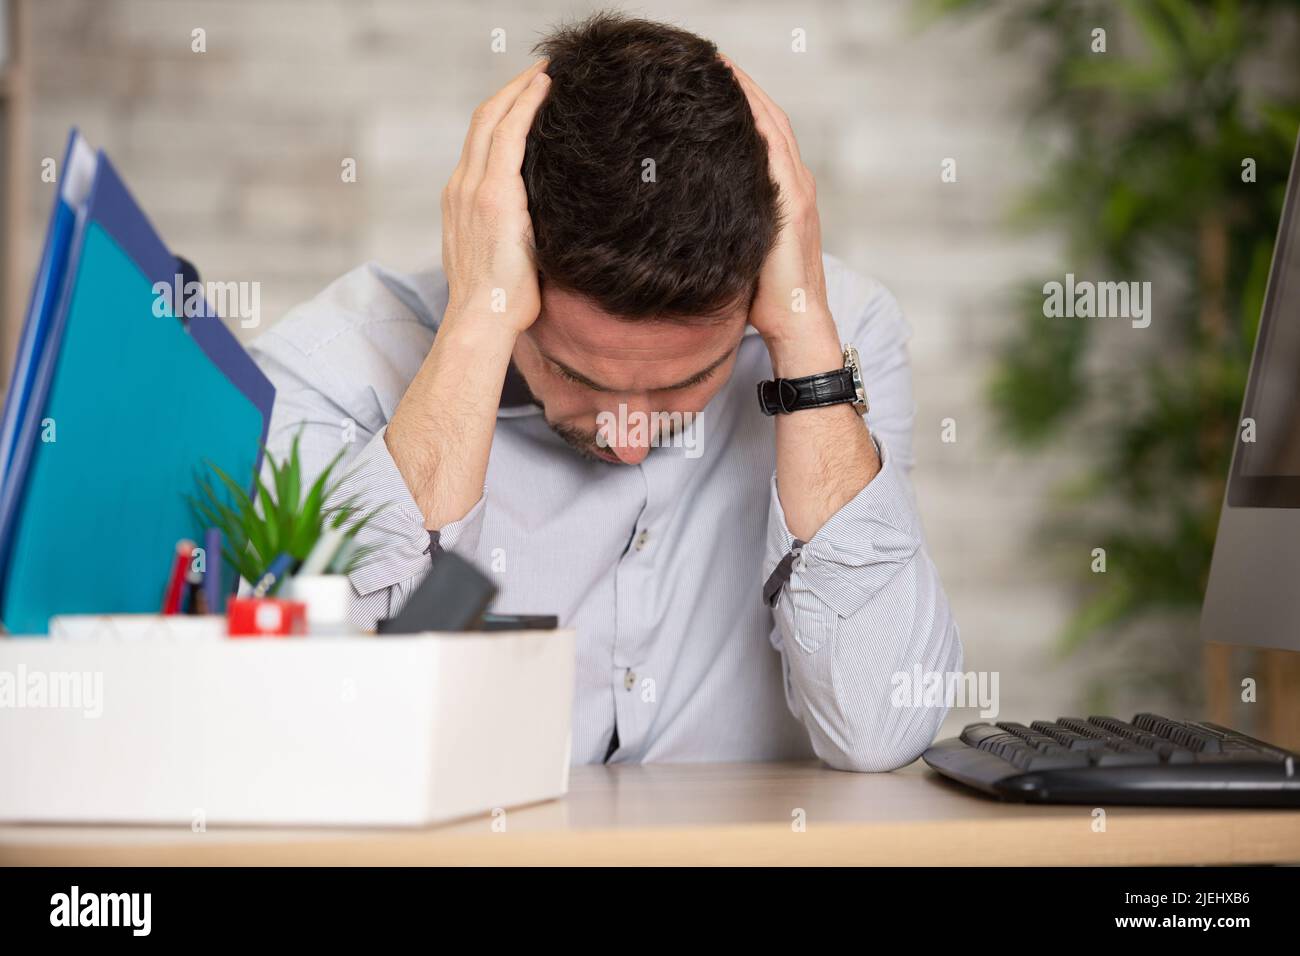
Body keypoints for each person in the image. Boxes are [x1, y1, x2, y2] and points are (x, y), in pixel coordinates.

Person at [249, 13, 961, 771]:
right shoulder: (330, 369)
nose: (626, 440)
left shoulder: (832, 336)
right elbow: (307, 728)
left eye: (690, 380)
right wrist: (475, 330)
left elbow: (883, 727)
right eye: (577, 376)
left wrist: (806, 348)